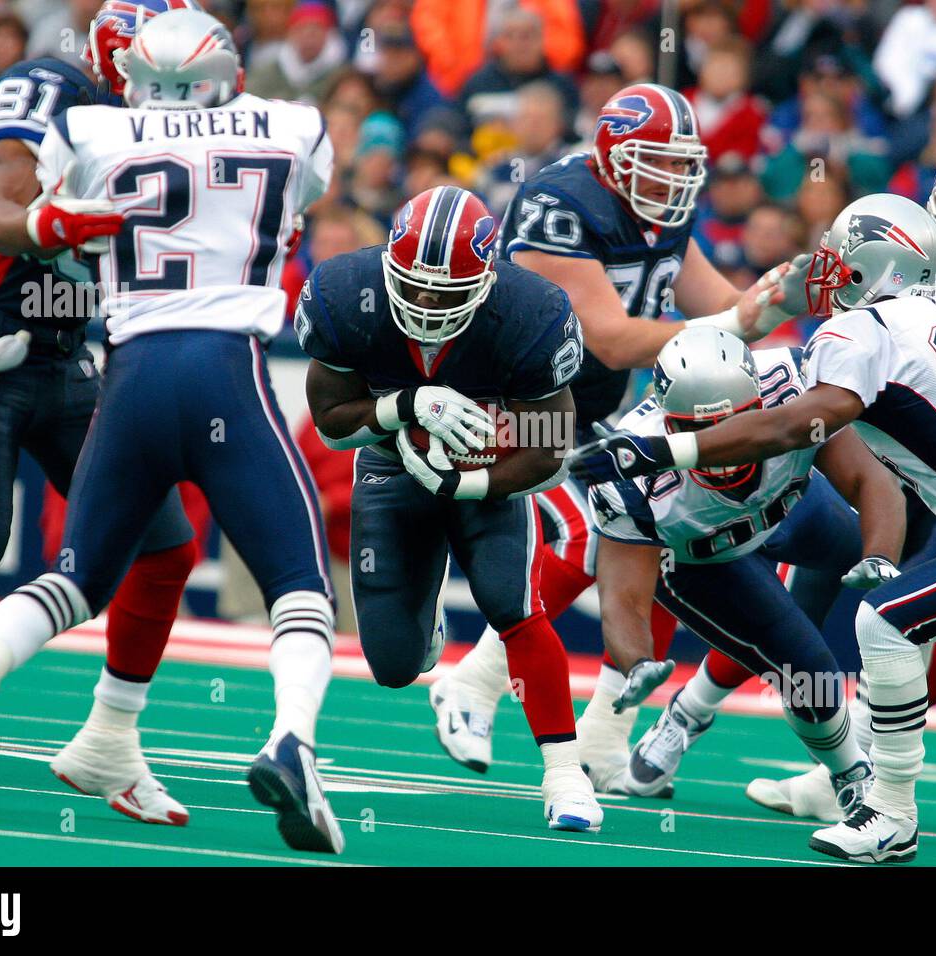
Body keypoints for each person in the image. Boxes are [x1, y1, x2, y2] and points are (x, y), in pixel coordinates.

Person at [568, 193, 936, 868]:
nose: (825, 266)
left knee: (884, 624)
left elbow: (802, 423)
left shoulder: (860, 332)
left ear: (877, 266)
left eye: (840, 255)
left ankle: (890, 817)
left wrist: (668, 449)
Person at [0, 7, 346, 855]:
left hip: (133, 374)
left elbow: (16, 213)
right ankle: (291, 741)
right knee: (300, 584)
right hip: (227, 369)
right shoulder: (293, 124)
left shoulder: (89, 128)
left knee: (78, 576)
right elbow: (298, 182)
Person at [0, 1, 200, 825]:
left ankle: (110, 741)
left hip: (74, 364)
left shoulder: (184, 137)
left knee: (166, 548)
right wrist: (56, 220)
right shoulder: (51, 92)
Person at [427, 82, 795, 791]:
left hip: (585, 407)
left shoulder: (661, 212)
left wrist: (785, 293)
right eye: (659, 163)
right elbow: (615, 339)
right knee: (587, 533)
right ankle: (470, 682)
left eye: (684, 165)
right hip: (505, 399)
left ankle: (604, 739)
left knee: (660, 536)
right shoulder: (560, 205)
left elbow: (722, 308)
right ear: (612, 158)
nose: (677, 180)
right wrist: (738, 323)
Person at [298, 184, 603, 833]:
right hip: (389, 462)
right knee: (392, 664)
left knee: (515, 607)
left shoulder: (531, 310)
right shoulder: (347, 294)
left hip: (493, 469)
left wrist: (462, 485)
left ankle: (565, 774)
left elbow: (549, 447)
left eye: (447, 290)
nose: (428, 302)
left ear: (486, 280)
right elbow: (329, 420)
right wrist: (406, 406)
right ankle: (427, 625)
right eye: (414, 285)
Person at [589, 325, 903, 807]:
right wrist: (638, 662)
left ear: (760, 404)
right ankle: (850, 775)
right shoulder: (634, 471)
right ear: (668, 425)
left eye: (728, 423)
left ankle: (689, 710)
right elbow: (624, 596)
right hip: (704, 559)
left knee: (891, 562)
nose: (716, 444)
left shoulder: (792, 381)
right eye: (695, 430)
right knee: (807, 667)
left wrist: (880, 554)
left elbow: (869, 479)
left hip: (790, 506)